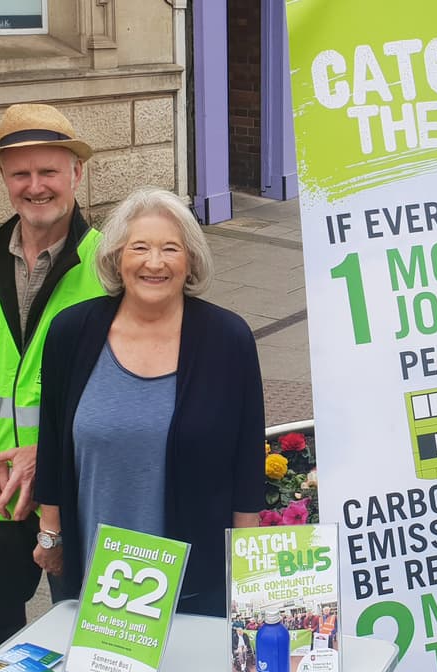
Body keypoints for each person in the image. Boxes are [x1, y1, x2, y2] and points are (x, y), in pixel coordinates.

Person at [32, 187, 265, 616]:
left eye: (170, 249)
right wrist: (50, 530)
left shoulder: (228, 339)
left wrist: (245, 558)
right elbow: (52, 440)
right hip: (96, 580)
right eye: (140, 247)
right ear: (117, 257)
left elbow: (247, 457)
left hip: (196, 582)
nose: (154, 263)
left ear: (190, 260)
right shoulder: (71, 332)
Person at [0, 103, 106, 671]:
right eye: (20, 174)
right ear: (4, 178)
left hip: (78, 496)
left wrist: (46, 455)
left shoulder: (108, 262)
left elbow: (129, 391)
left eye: (49, 171)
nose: (36, 187)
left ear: (76, 173)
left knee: (90, 640)